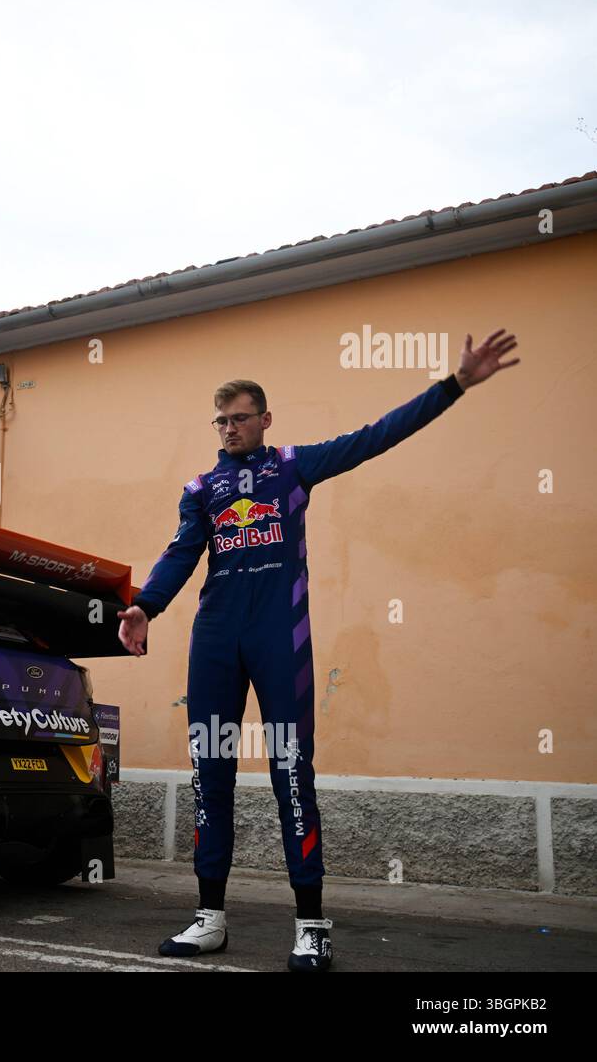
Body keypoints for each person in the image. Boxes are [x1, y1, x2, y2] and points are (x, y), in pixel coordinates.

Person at [117, 329, 520, 972]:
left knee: (290, 772)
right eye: (220, 421)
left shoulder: (293, 467)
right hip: (216, 639)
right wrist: (146, 604)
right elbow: (179, 554)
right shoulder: (200, 490)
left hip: (281, 637)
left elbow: (375, 435)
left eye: (239, 418)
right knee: (211, 774)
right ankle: (209, 918)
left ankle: (310, 925)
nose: (228, 429)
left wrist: (453, 385)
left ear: (265, 419)